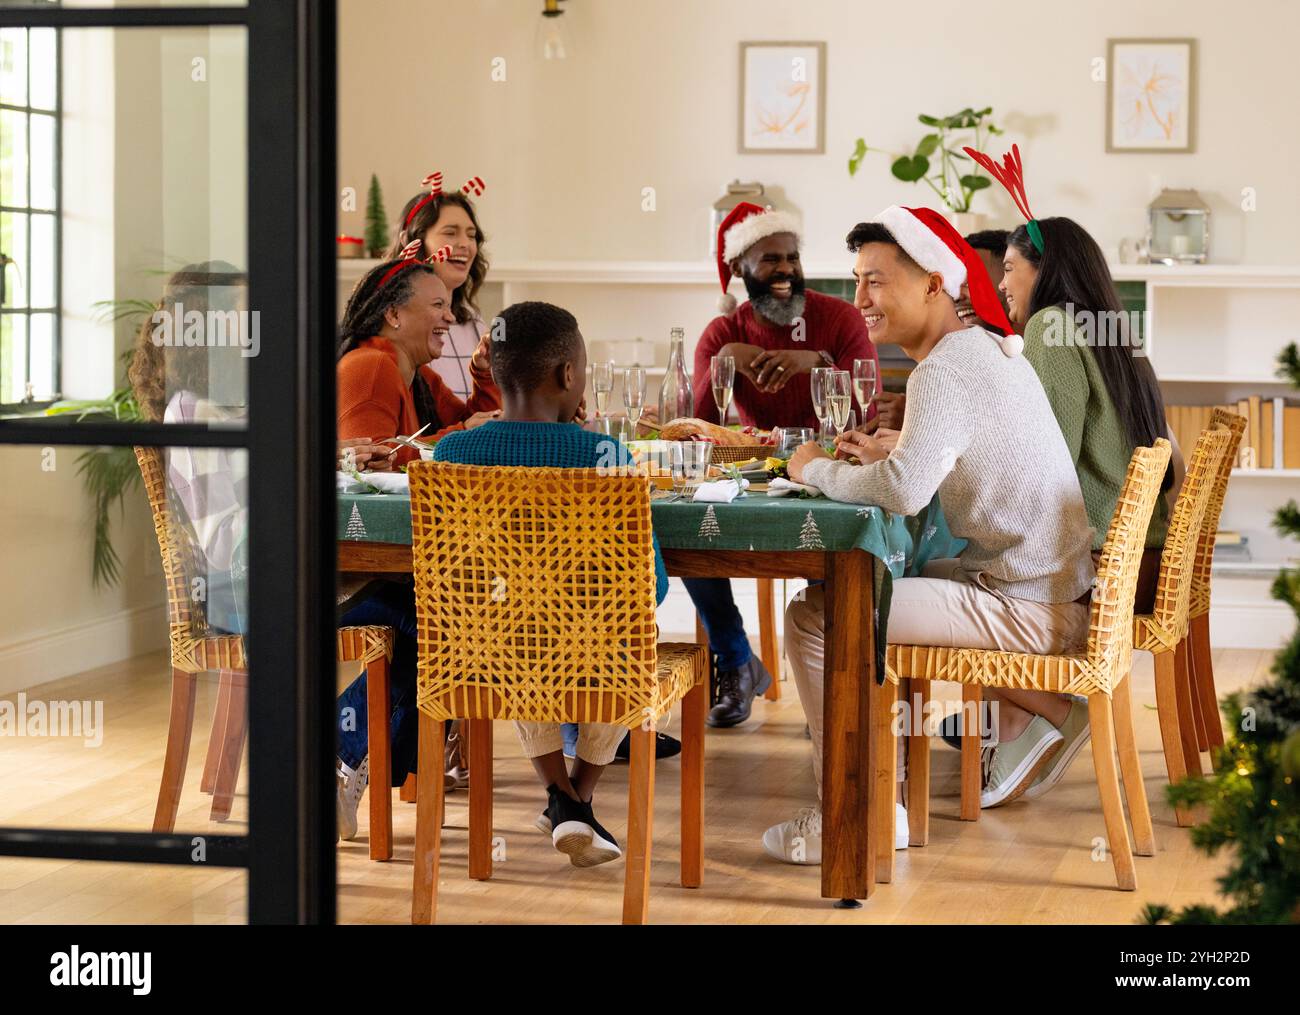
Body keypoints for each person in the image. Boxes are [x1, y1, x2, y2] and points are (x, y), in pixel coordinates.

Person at [763, 208, 1095, 864]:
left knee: (815, 616)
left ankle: (856, 807)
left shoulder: (943, 369)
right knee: (869, 590)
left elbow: (907, 493)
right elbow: (965, 449)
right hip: (1048, 587)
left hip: (1028, 605)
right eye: (857, 282)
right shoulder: (977, 349)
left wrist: (815, 468)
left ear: (934, 285)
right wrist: (902, 446)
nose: (860, 300)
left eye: (876, 282)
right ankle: (887, 782)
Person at [434, 301, 671, 868]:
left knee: (518, 624)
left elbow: (455, 581)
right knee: (630, 628)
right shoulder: (605, 455)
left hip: (487, 647)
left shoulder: (452, 453)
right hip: (591, 651)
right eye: (582, 371)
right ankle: (577, 798)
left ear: (495, 373)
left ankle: (561, 799)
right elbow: (649, 586)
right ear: (569, 377)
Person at [683, 203, 881, 727]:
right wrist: (724, 360)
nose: (786, 269)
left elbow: (868, 409)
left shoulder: (838, 319)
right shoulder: (721, 331)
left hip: (830, 475)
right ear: (742, 270)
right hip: (750, 482)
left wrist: (817, 363)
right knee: (685, 530)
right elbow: (697, 429)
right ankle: (736, 658)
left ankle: (842, 693)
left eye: (792, 257)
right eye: (770, 259)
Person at [337, 256, 501, 465]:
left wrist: (483, 374)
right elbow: (370, 463)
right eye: (438, 305)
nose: (450, 317)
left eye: (449, 306)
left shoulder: (422, 377)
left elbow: (478, 426)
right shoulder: (371, 365)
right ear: (394, 314)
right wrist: (462, 434)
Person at [387, 172, 492, 401]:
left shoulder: (475, 324)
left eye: (471, 235)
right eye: (450, 233)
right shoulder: (393, 325)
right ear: (411, 242)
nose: (465, 244)